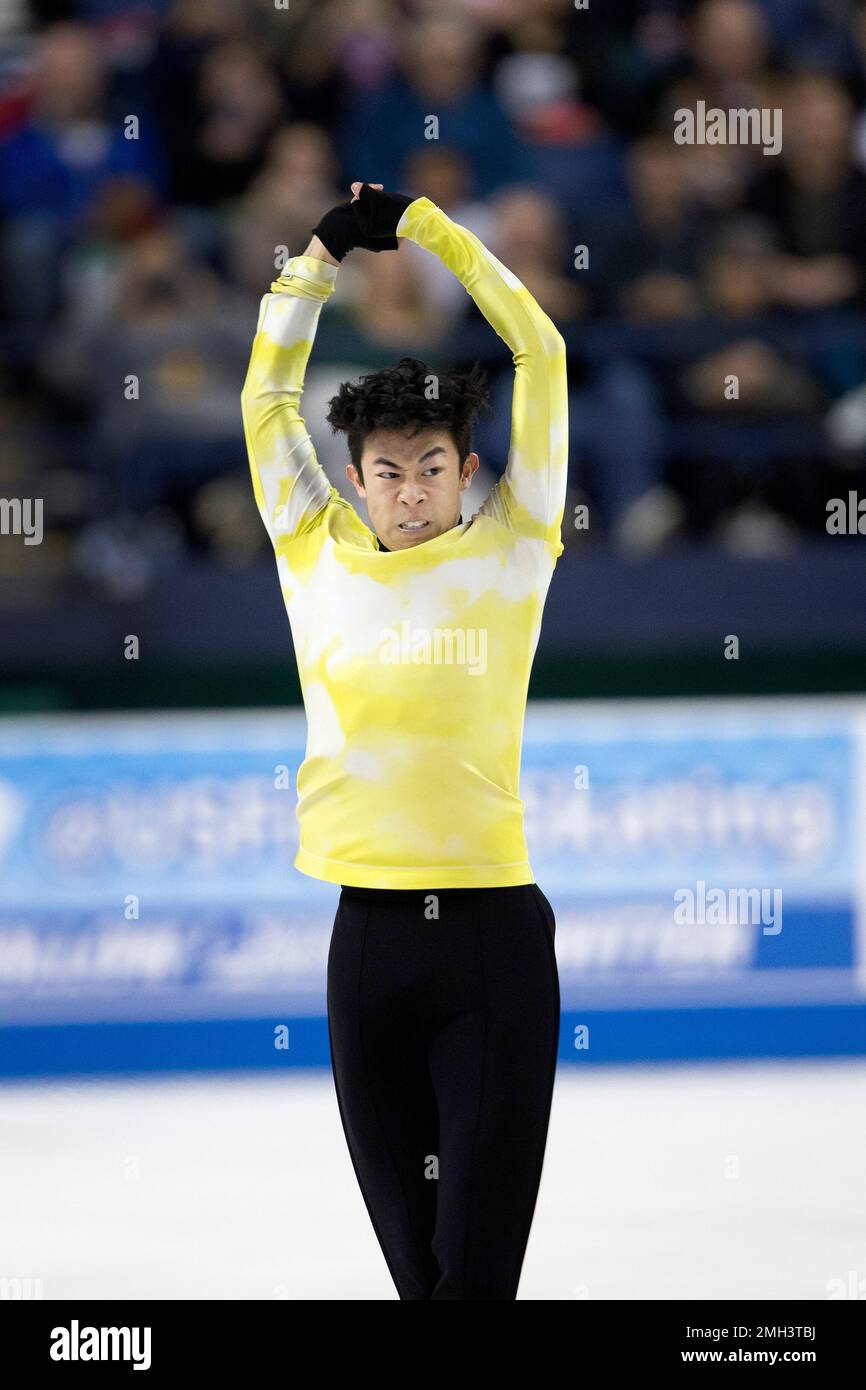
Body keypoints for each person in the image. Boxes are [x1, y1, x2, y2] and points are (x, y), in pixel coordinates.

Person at [240, 180, 566, 1299]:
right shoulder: (310, 549)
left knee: (473, 1278)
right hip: (365, 947)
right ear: (354, 479)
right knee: (416, 1279)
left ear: (465, 472)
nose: (413, 491)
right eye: (389, 470)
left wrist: (429, 232)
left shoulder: (515, 546)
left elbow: (544, 351)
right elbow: (265, 393)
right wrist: (322, 251)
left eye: (433, 467)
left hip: (493, 947)